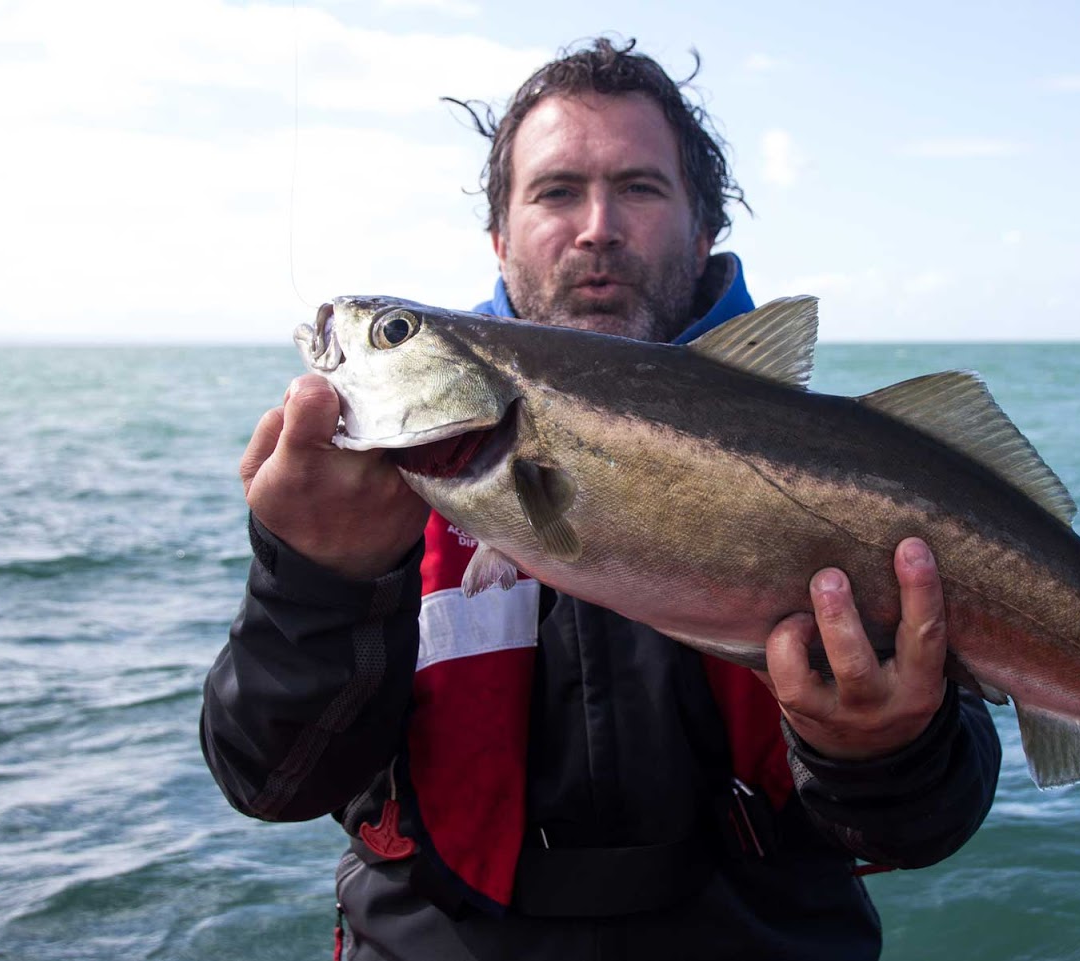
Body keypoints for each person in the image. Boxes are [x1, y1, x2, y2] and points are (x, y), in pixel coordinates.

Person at [202, 37, 1000, 961]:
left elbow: (927, 824)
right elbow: (271, 781)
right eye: (555, 191)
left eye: (641, 187)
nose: (597, 227)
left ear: (704, 231)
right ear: (499, 238)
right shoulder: (381, 485)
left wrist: (884, 748)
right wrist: (313, 580)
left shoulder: (839, 466)